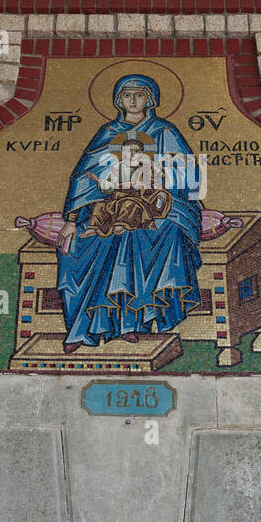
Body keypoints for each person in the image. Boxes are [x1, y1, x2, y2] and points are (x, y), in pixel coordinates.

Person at [57, 73, 202, 352]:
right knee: (86, 242)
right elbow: (85, 177)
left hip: (159, 204)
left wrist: (163, 174)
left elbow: (191, 174)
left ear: (150, 99)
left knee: (152, 232)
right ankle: (86, 328)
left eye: (139, 95)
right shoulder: (108, 134)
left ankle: (133, 323)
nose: (133, 101)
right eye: (127, 95)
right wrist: (71, 220)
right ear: (118, 100)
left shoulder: (165, 132)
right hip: (112, 204)